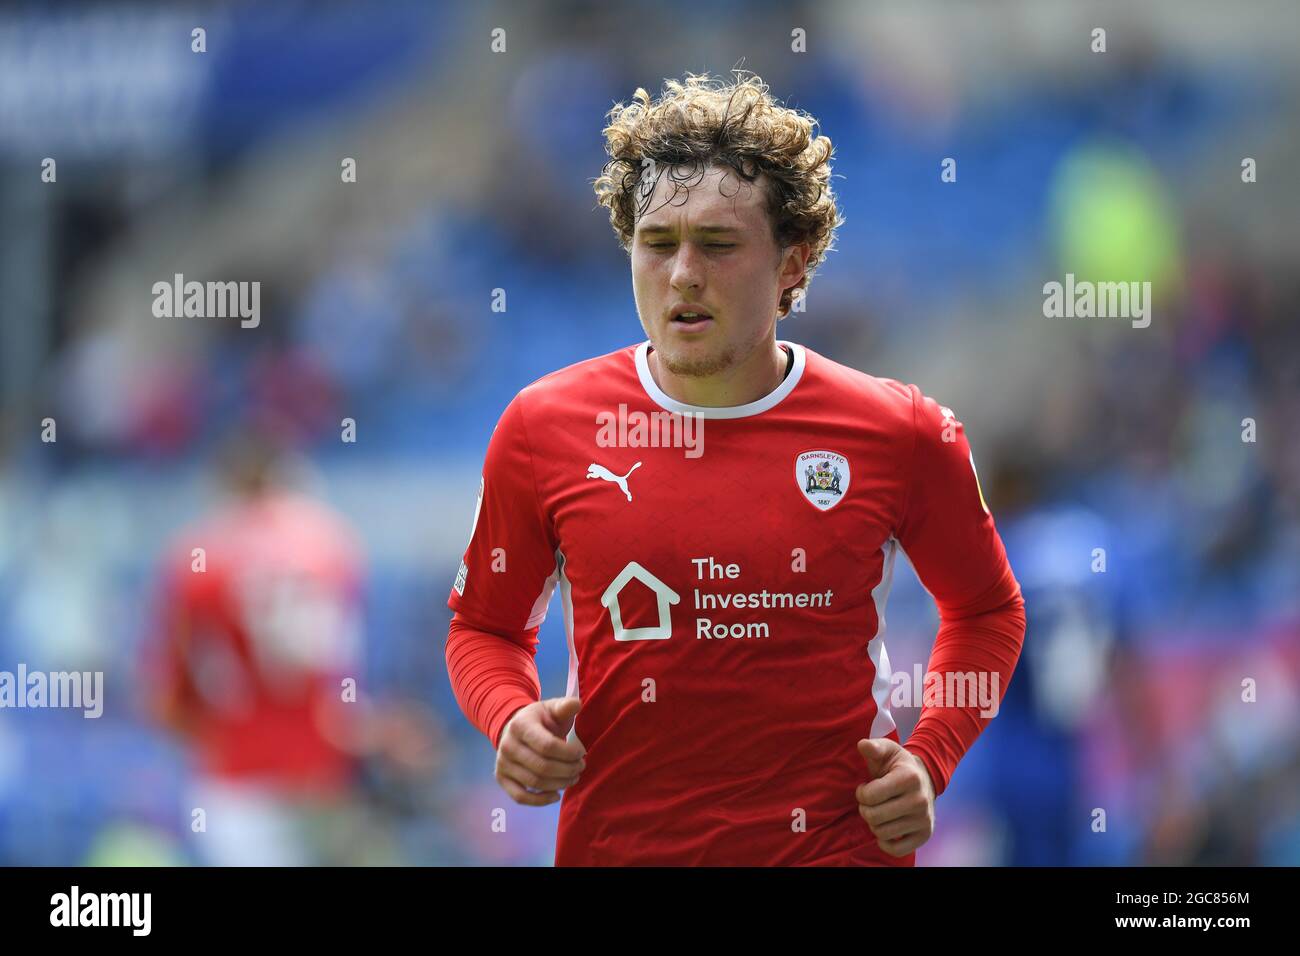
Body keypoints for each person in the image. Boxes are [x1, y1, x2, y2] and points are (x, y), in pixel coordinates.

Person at [444, 71, 1026, 866]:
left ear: (795, 260)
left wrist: (931, 756)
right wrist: (509, 716)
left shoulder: (899, 432)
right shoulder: (543, 428)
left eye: (718, 244)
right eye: (656, 243)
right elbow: (485, 625)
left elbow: (988, 610)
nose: (683, 273)